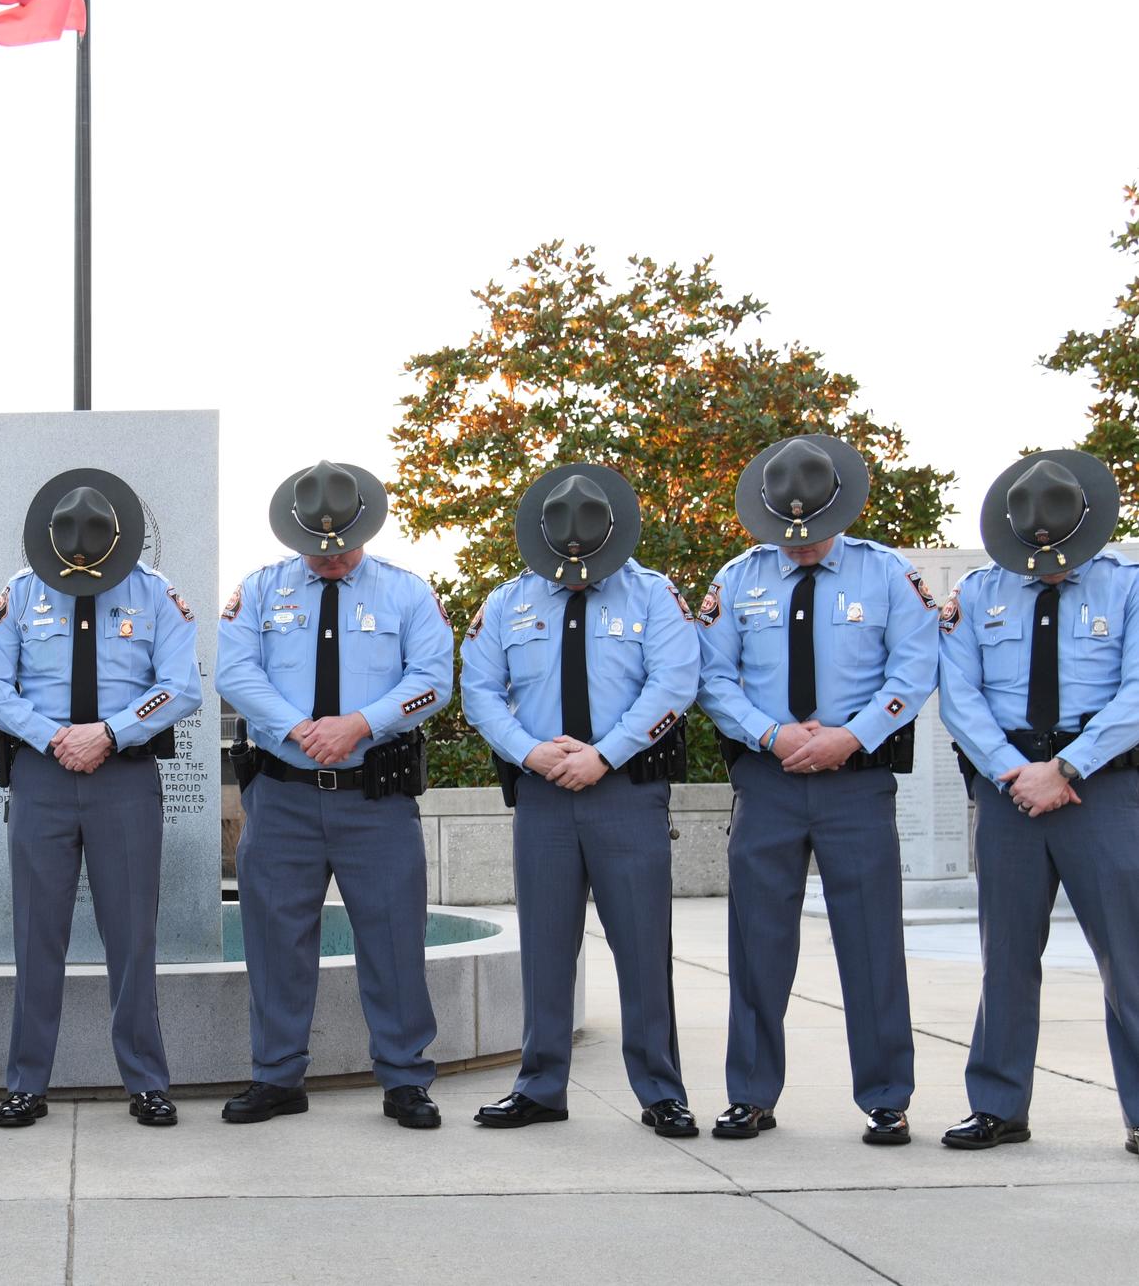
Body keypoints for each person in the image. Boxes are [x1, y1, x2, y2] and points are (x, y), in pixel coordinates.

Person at [696, 435, 933, 1144]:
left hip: (855, 784)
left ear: (841, 509)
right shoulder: (737, 579)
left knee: (871, 943)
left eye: (813, 530)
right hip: (767, 782)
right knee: (757, 945)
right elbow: (712, 676)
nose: (799, 543)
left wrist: (850, 736)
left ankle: (887, 1097)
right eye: (785, 531)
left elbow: (914, 669)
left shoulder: (887, 574)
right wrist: (770, 734)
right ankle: (751, 1094)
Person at [460, 463, 699, 1137]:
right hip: (543, 796)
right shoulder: (506, 603)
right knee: (544, 946)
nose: (575, 574)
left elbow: (675, 682)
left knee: (642, 947)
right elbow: (479, 690)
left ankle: (661, 1090)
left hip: (627, 792)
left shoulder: (653, 595)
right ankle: (540, 1086)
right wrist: (528, 751)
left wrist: (605, 754)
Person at [216, 460, 451, 1129]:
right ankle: (277, 1076)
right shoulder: (259, 591)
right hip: (283, 796)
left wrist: (361, 723)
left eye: (342, 547)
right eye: (316, 549)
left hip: (375, 799)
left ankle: (405, 1079)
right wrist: (297, 727)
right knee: (275, 942)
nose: (330, 558)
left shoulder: (407, 593)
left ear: (364, 528)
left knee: (393, 940)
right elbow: (234, 673)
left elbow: (433, 679)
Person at [0, 468, 201, 1128]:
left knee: (132, 937)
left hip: (124, 779)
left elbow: (181, 686)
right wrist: (54, 737)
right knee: (36, 935)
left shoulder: (154, 593)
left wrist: (110, 732)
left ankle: (146, 1082)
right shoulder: (20, 594)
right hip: (41, 777)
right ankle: (26, 1083)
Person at [936, 450, 1139, 1157]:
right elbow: (959, 696)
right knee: (1006, 956)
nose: (1048, 566)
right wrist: (1013, 772)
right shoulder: (977, 593)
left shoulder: (1128, 586)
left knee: (1128, 953)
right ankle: (998, 1106)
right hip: (1011, 790)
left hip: (1102, 785)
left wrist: (1069, 766)